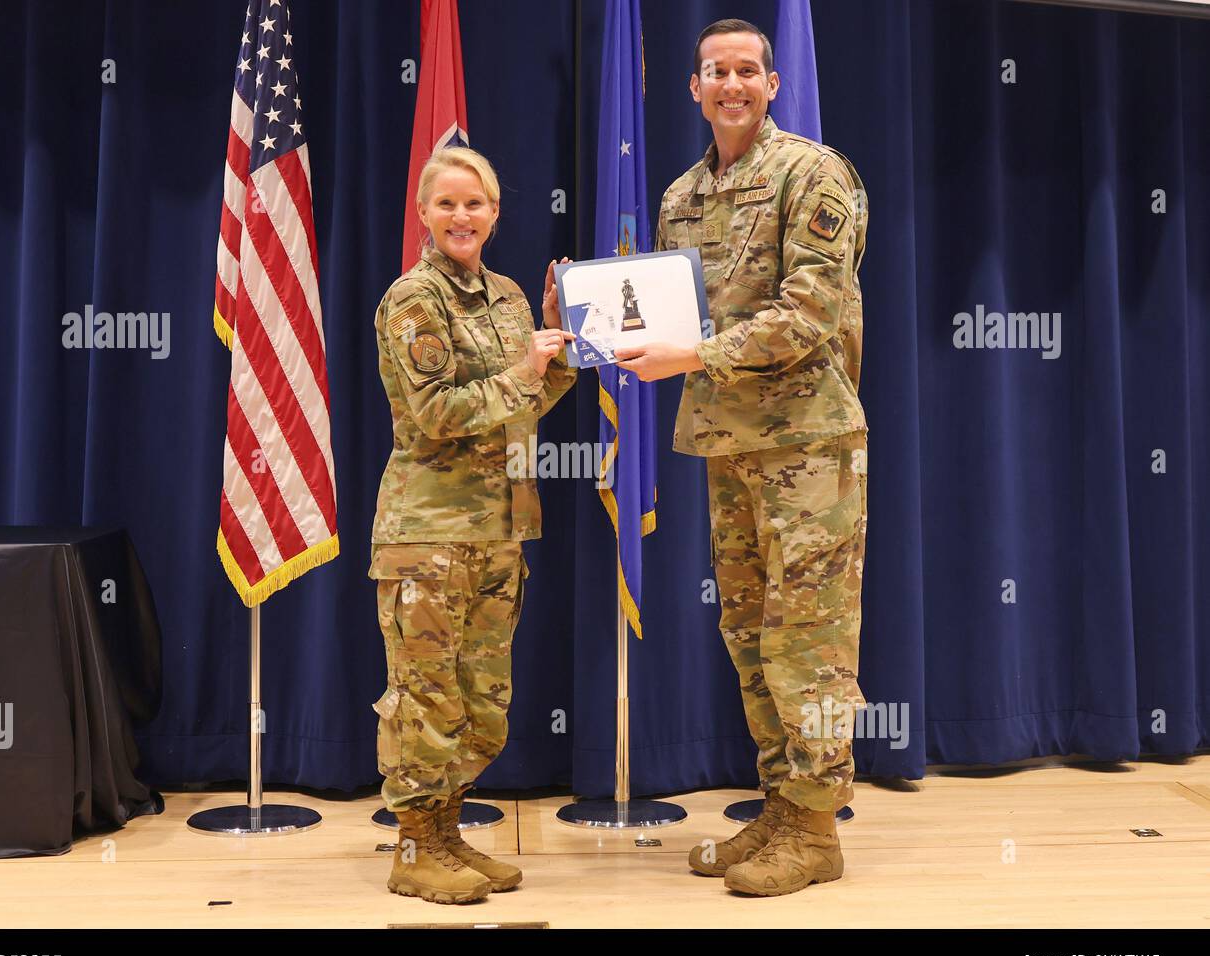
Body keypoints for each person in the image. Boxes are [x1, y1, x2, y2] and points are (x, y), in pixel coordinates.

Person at [619, 19, 869, 897]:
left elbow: (809, 314)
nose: (731, 84)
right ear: (694, 89)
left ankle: (817, 827)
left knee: (815, 642)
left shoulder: (814, 173)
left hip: (808, 444)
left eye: (747, 71)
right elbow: (662, 313)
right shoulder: (682, 195)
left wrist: (689, 357)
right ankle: (780, 804)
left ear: (771, 84)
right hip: (730, 443)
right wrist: (595, 324)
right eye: (715, 72)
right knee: (751, 636)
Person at [370, 146, 575, 904]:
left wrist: (557, 344)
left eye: (476, 203)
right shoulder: (413, 300)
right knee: (425, 700)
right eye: (448, 204)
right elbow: (436, 413)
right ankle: (415, 848)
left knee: (482, 707)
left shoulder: (512, 297)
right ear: (424, 213)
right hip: (427, 533)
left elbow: (527, 402)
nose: (463, 217)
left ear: (495, 213)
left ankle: (448, 834)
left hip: (499, 531)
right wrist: (524, 372)